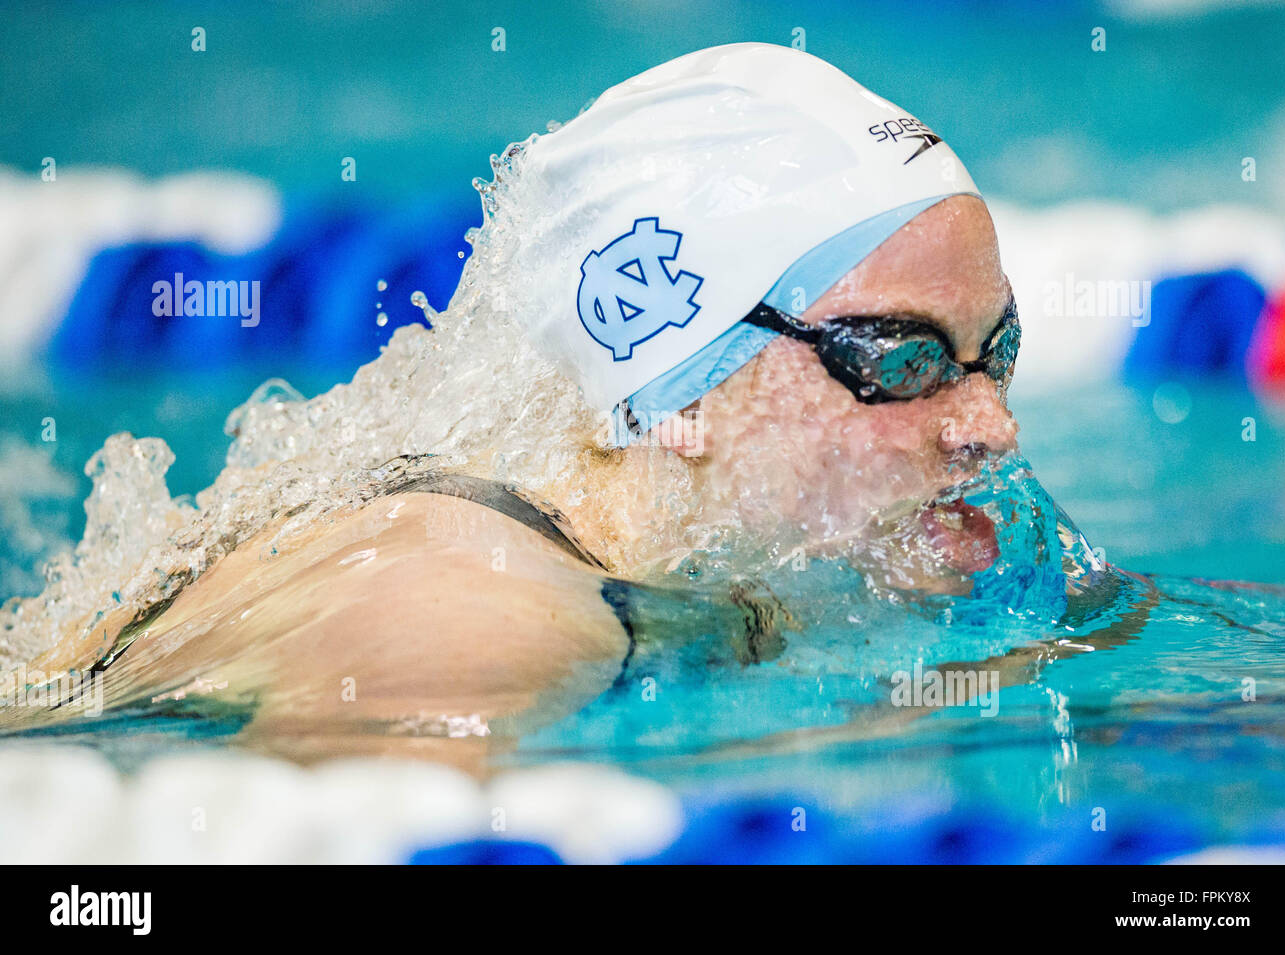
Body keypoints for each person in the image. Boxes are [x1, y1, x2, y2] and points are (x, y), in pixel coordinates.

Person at [13, 43, 1025, 768]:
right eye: (902, 362)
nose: (992, 427)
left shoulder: (697, 558)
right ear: (681, 389)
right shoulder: (467, 623)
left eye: (997, 354)